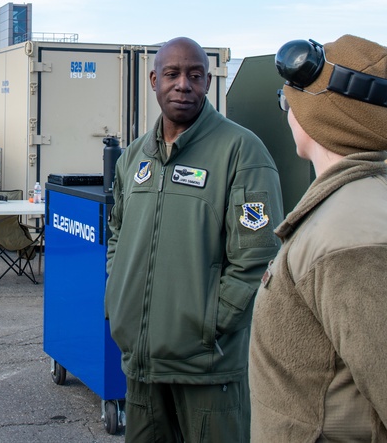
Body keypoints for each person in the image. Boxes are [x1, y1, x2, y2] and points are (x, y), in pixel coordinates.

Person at [250, 35, 387, 441]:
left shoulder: (356, 240)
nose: (288, 114)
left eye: (290, 103)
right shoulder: (362, 205)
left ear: (319, 117)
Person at [104, 36, 283, 442]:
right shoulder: (134, 157)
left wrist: (211, 325)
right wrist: (120, 298)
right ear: (154, 80)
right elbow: (117, 233)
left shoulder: (241, 152)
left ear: (207, 82)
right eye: (172, 74)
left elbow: (258, 256)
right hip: (143, 365)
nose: (183, 85)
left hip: (208, 370)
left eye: (195, 75)